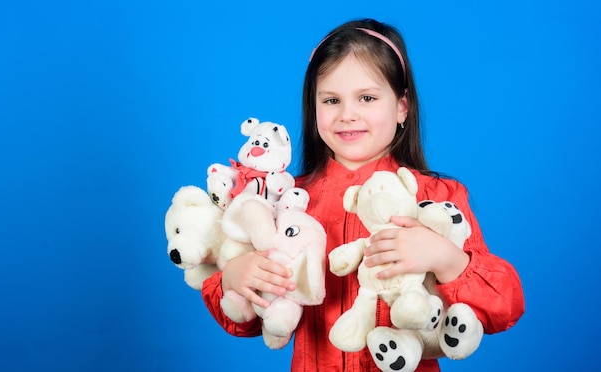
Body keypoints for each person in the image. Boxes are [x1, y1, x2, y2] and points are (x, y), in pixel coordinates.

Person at [201, 18, 525, 371]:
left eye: (367, 98)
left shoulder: (436, 198)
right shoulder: (288, 201)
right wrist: (236, 278)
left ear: (402, 106)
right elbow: (243, 324)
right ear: (314, 107)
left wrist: (445, 259)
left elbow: (504, 308)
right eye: (331, 100)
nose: (347, 115)